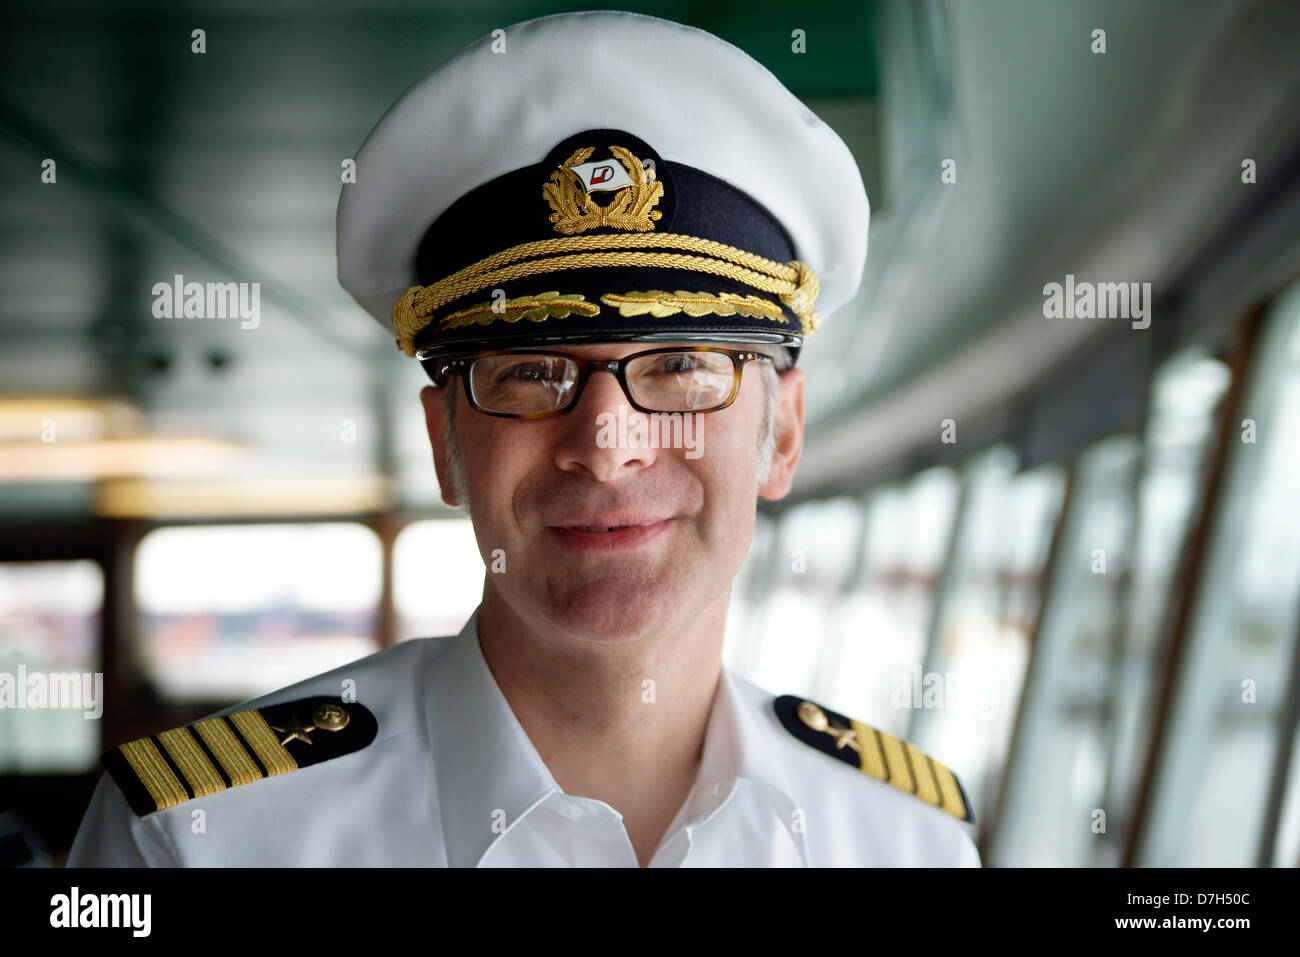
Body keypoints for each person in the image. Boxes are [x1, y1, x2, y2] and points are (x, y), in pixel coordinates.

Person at [67, 10, 980, 867]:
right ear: (444, 443)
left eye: (681, 366)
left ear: (782, 433)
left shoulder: (909, 840)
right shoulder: (198, 839)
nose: (609, 440)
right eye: (531, 372)